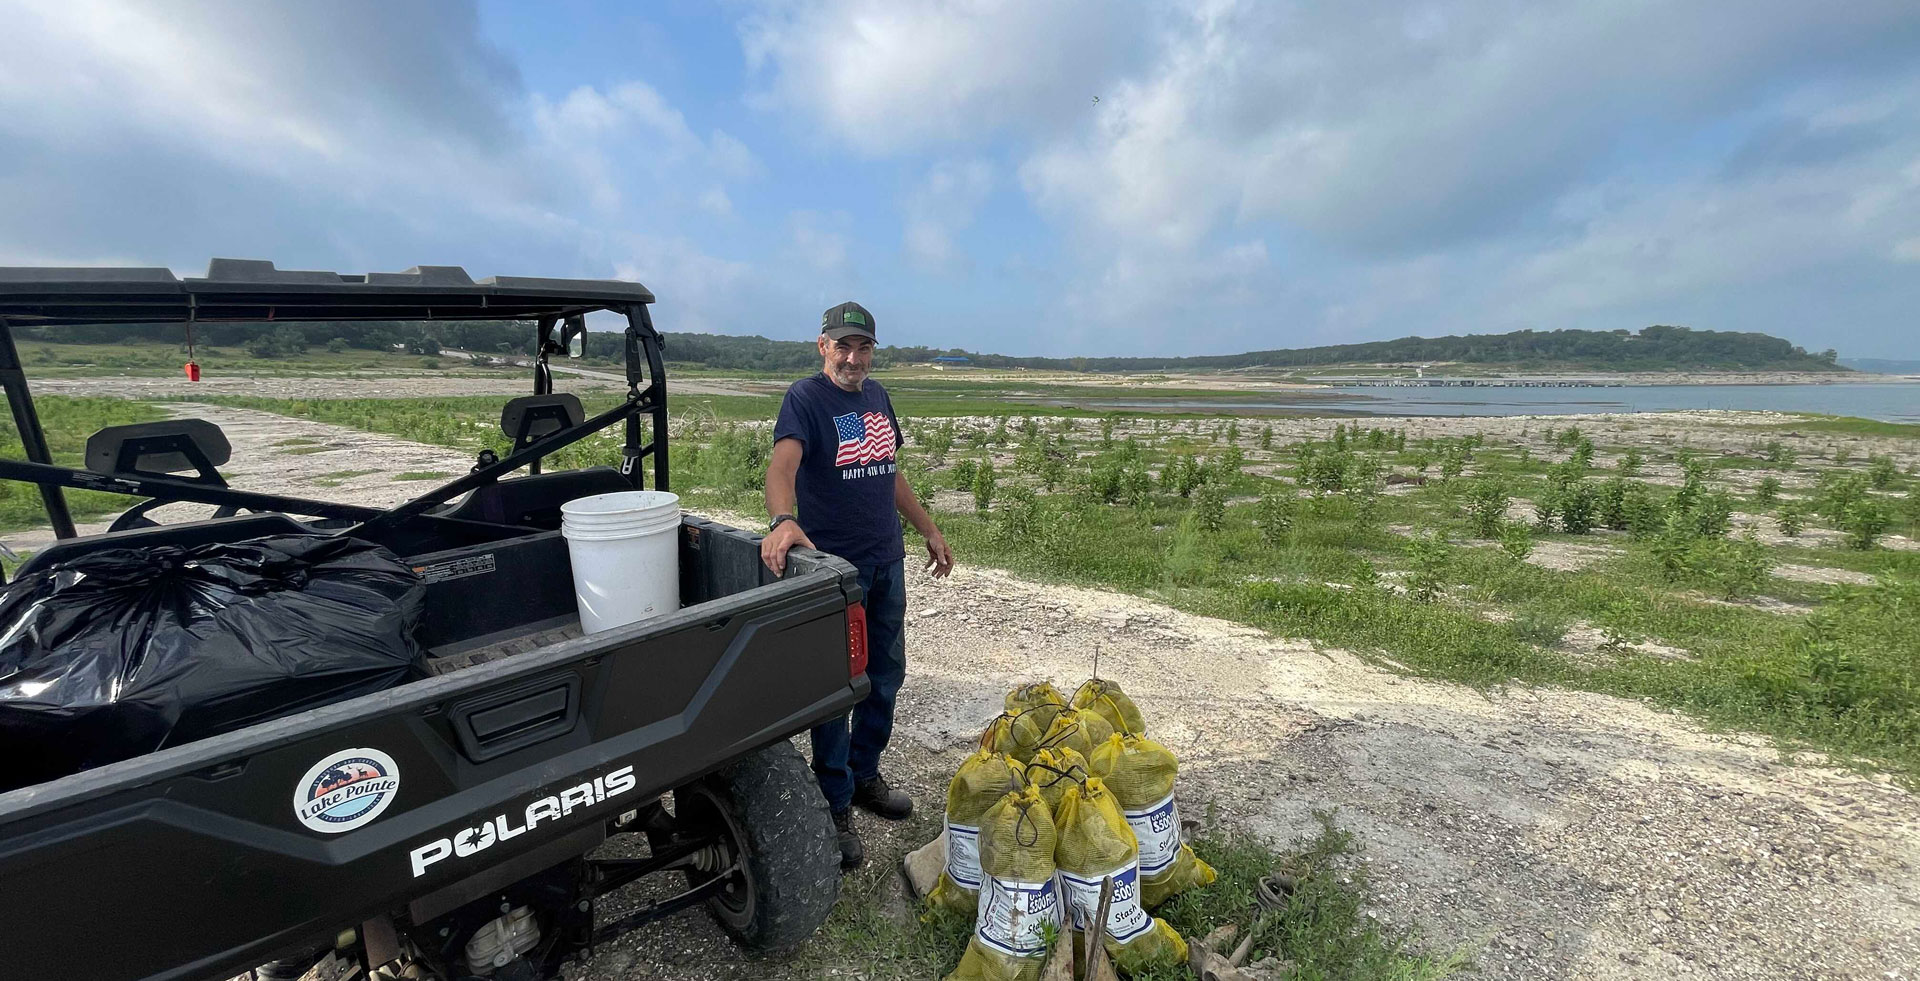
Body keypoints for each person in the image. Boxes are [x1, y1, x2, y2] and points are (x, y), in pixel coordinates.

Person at [760, 300, 954, 871]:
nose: (853, 358)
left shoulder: (877, 397)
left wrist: (928, 528)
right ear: (822, 346)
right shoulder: (805, 399)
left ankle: (865, 773)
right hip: (835, 572)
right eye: (842, 346)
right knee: (838, 685)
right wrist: (781, 520)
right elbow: (782, 467)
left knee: (885, 673)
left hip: (884, 560)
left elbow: (889, 471)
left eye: (863, 347)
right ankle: (834, 799)